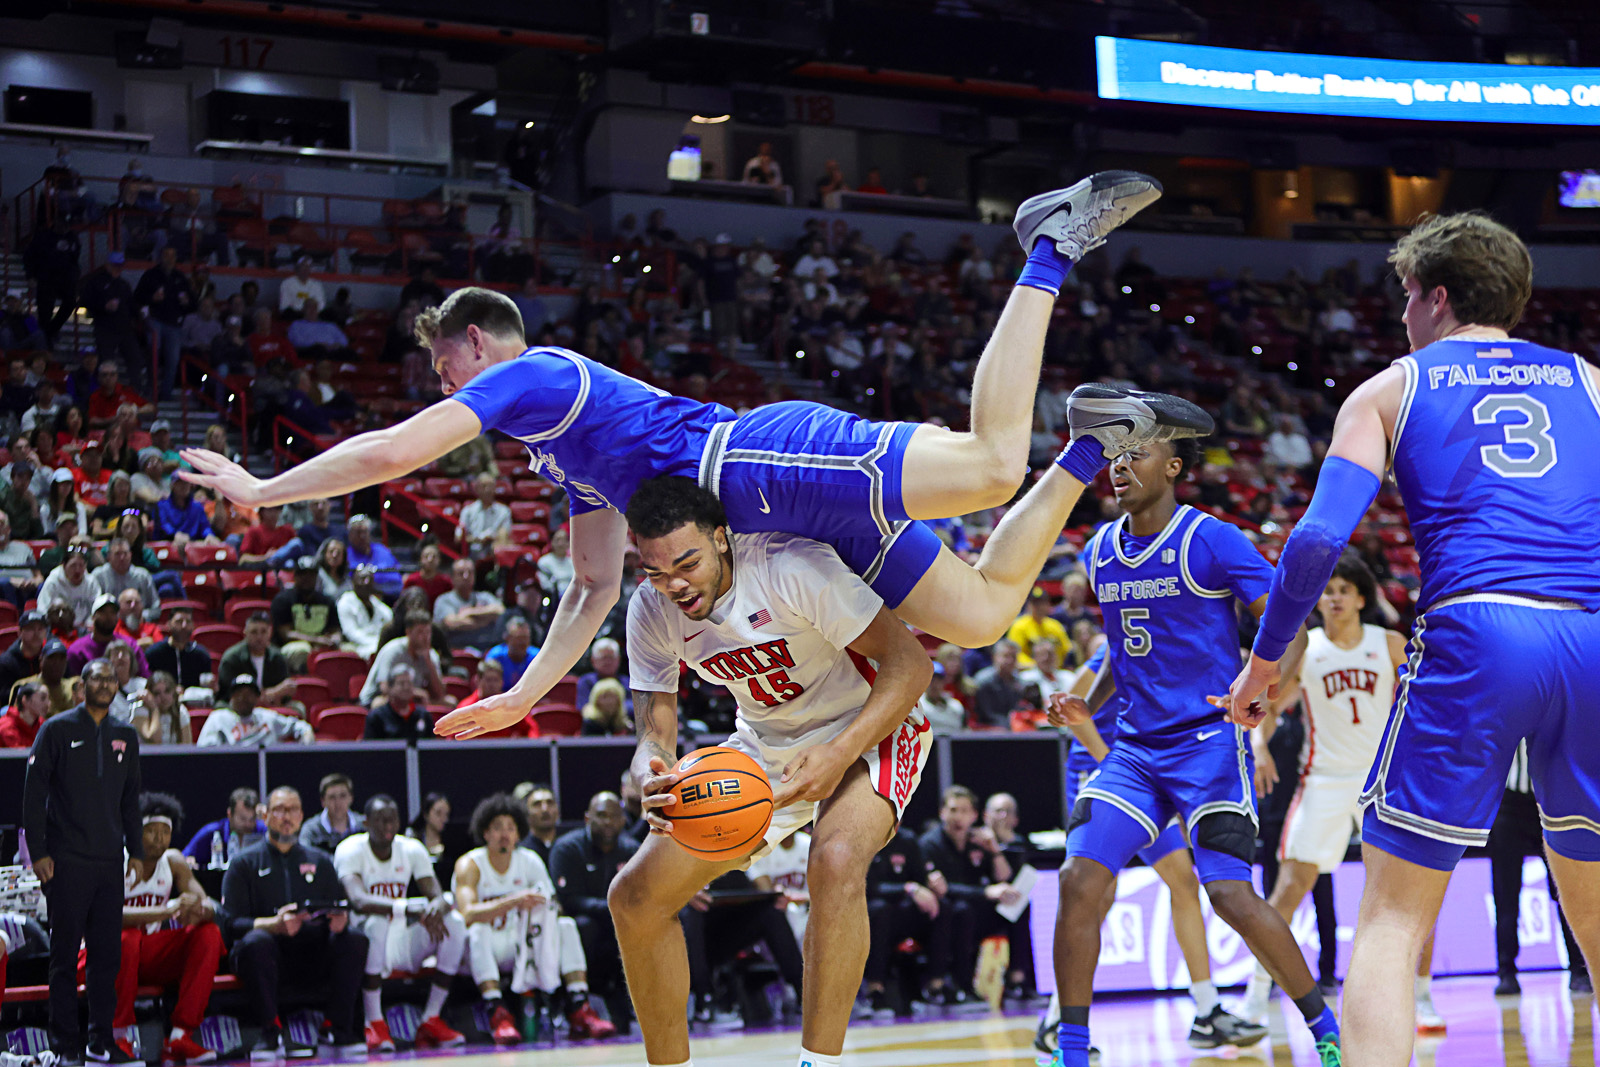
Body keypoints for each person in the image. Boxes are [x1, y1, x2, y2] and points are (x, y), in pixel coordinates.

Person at [178, 174, 1199, 743]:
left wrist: (267, 488)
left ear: (479, 345)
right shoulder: (567, 457)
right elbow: (587, 587)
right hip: (766, 517)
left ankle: (1047, 239)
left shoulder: (532, 375)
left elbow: (399, 451)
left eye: (448, 369)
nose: (449, 390)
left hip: (756, 460)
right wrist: (526, 697)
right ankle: (1081, 444)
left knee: (982, 467)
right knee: (979, 620)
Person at [1217, 212, 1600, 1065]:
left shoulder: (1393, 386)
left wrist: (1266, 656)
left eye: (1402, 298)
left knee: (1390, 919)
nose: (1399, 318)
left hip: (1481, 629)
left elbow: (1318, 540)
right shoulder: (1589, 379)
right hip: (1590, 632)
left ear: (1435, 296)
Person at [608, 475, 934, 1067]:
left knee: (834, 861)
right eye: (656, 573)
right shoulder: (652, 612)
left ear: (722, 539)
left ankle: (819, 1062)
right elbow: (654, 728)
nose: (674, 585)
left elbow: (910, 666)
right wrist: (648, 767)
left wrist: (839, 755)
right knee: (633, 897)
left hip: (871, 725)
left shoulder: (791, 568)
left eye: (687, 563)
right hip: (767, 747)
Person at [1048, 437, 1338, 1067]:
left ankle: (1324, 1026)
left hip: (1207, 743)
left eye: (1137, 454)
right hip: (1134, 749)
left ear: (1174, 467)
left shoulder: (1212, 539)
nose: (1120, 465)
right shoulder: (1098, 549)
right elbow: (1120, 651)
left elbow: (1290, 627)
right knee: (1077, 880)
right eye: (1115, 456)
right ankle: (1071, 1048)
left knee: (1229, 895)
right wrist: (1085, 704)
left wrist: (1264, 687)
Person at [1033, 641, 1266, 1057]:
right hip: (1103, 774)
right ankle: (1056, 1019)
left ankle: (1207, 1009)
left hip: (1144, 774)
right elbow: (1073, 712)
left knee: (1183, 882)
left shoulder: (1170, 650)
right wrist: (1117, 768)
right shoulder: (1109, 652)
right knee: (1097, 897)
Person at [1238, 556, 1417, 1024]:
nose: (1333, 597)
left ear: (1361, 598)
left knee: (1409, 890)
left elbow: (1427, 698)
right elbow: (1270, 707)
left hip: (1380, 781)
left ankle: (1422, 995)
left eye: (1343, 589)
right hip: (1325, 780)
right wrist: (1260, 745)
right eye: (1327, 590)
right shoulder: (1309, 648)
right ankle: (1256, 996)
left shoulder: (1391, 644)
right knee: (1289, 887)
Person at [22, 658, 144, 1065]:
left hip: (110, 862)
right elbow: (33, 795)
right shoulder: (56, 729)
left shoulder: (125, 734)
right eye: (98, 679)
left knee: (107, 957)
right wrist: (38, 852)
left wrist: (138, 851)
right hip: (66, 861)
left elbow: (131, 800)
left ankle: (101, 1040)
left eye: (112, 679)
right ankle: (65, 1044)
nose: (106, 685)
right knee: (64, 956)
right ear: (82, 686)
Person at [218, 786, 367, 1059]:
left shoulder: (321, 862)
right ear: (265, 815)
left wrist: (339, 922)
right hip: (266, 955)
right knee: (255, 942)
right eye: (279, 810)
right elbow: (229, 924)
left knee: (355, 938)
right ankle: (270, 1033)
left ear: (301, 816)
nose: (286, 817)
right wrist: (272, 924)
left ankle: (335, 1028)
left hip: (310, 952)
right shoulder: (242, 862)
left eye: (292, 810)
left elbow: (336, 908)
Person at [453, 793, 615, 1044]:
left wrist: (542, 907)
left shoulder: (529, 861)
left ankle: (579, 1007)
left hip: (524, 944)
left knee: (566, 925)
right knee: (478, 931)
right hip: (484, 949)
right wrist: (515, 900)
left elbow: (554, 906)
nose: (504, 834)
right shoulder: (470, 864)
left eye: (510, 827)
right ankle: (496, 1011)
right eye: (497, 828)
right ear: (485, 833)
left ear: (519, 833)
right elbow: (468, 914)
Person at [334, 795, 467, 1052]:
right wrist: (406, 907)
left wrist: (437, 907)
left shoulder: (411, 848)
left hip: (403, 941)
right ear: (366, 822)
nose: (387, 825)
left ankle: (431, 1017)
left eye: (392, 819)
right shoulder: (350, 849)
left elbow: (436, 895)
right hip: (364, 943)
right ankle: (373, 1021)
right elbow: (359, 900)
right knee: (377, 921)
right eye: (380, 819)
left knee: (455, 922)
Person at [113, 792, 224, 1065]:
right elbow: (108, 917)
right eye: (151, 831)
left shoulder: (173, 861)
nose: (160, 839)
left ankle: (179, 1036)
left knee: (208, 933)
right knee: (126, 937)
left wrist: (200, 909)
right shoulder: (114, 858)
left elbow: (205, 901)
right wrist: (167, 909)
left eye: (166, 832)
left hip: (145, 955)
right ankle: (117, 1037)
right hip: (102, 958)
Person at [1489, 740, 1589, 995]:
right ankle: (1506, 972)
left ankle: (1578, 970)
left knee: (1565, 891)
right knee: (1505, 891)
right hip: (1509, 802)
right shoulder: (1506, 700)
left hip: (1552, 800)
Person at [196, 675, 313, 746]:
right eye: (238, 694)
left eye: (248, 694)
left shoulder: (267, 717)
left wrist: (307, 737)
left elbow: (300, 726)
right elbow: (206, 748)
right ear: (231, 697)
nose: (243, 698)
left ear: (257, 698)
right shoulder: (219, 718)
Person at [271, 555, 342, 672]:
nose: (307, 578)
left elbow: (335, 629)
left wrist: (335, 640)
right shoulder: (283, 600)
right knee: (303, 650)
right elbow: (286, 634)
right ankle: (304, 684)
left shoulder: (327, 601)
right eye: (303, 574)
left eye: (311, 574)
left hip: (321, 643)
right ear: (295, 576)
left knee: (350, 650)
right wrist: (316, 640)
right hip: (290, 646)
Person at [361, 611, 446, 706]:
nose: (426, 637)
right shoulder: (392, 651)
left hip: (412, 700)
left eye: (428, 632)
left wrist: (428, 660)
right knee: (379, 703)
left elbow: (439, 694)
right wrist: (414, 692)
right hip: (378, 699)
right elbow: (384, 688)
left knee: (449, 702)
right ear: (408, 632)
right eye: (420, 632)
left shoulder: (431, 654)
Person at [217, 614, 297, 709]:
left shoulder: (277, 657)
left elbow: (285, 695)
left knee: (298, 707)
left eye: (263, 632)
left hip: (272, 706)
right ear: (245, 633)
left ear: (270, 633)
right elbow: (229, 695)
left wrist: (280, 693)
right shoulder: (232, 659)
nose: (259, 637)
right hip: (238, 707)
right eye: (254, 632)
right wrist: (274, 692)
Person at [67, 593, 150, 678]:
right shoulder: (78, 650)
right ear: (93, 617)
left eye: (113, 613)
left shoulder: (130, 645)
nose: (108, 617)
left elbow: (145, 677)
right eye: (103, 612)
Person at [180, 787, 263, 869]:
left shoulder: (263, 831)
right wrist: (188, 861)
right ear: (230, 814)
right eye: (242, 819)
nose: (248, 824)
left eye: (252, 819)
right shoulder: (211, 833)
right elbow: (183, 859)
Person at [433, 557, 503, 650]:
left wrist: (470, 612)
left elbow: (500, 611)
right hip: (458, 650)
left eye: (470, 573)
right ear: (452, 577)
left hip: (487, 650)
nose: (466, 576)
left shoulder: (484, 597)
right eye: (461, 573)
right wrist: (486, 619)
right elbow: (453, 623)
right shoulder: (444, 600)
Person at [90, 538, 160, 624]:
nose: (122, 558)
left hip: (139, 625)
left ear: (130, 555)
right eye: (117, 554)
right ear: (109, 556)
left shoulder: (143, 576)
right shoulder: (98, 576)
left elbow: (156, 607)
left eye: (125, 553)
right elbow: (92, 607)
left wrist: (140, 615)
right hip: (108, 625)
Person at [144, 608, 211, 693]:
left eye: (188, 622)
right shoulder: (153, 653)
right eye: (179, 621)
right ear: (168, 625)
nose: (184, 626)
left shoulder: (202, 655)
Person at [1007, 587, 1072, 669]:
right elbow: (1016, 653)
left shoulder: (1055, 625)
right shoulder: (1019, 625)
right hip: (1030, 671)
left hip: (1055, 671)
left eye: (1043, 603)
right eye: (1036, 604)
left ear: (1048, 605)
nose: (1039, 607)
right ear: (1029, 605)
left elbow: (1066, 650)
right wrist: (1035, 665)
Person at [298, 773, 364, 854]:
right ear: (323, 801)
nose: (338, 803)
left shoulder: (364, 825)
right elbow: (304, 858)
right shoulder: (311, 829)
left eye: (343, 796)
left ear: (351, 798)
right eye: (332, 797)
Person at [363, 664, 433, 741]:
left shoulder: (423, 715)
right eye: (401, 683)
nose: (406, 687)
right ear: (390, 688)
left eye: (409, 683)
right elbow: (369, 749)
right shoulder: (376, 717)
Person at [337, 564, 391, 659]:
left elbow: (389, 618)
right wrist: (376, 643)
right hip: (356, 646)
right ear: (353, 582)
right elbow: (351, 633)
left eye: (369, 579)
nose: (366, 582)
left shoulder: (377, 603)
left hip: (378, 646)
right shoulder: (345, 602)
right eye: (362, 579)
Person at [40, 543, 95, 629]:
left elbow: (97, 610)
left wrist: (88, 624)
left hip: (85, 629)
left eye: (81, 566)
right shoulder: (53, 581)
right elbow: (42, 610)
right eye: (73, 566)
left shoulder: (91, 582)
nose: (77, 570)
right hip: (58, 629)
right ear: (64, 565)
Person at [342, 515, 401, 597]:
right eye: (358, 532)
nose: (362, 536)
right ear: (350, 535)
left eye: (365, 531)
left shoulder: (382, 550)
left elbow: (397, 570)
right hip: (363, 596)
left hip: (392, 592)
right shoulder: (346, 555)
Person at [972, 639, 1025, 727]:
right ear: (995, 657)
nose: (1010, 661)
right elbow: (987, 715)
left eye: (1013, 657)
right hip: (988, 731)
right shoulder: (984, 681)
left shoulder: (1019, 682)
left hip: (1014, 729)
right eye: (1006, 656)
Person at [457, 472, 510, 559]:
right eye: (484, 486)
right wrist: (477, 539)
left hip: (494, 553)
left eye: (490, 486)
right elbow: (458, 537)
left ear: (495, 488)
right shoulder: (467, 511)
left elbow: (504, 536)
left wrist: (492, 538)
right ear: (476, 488)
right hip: (471, 553)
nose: (487, 490)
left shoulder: (504, 511)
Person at [0, 609, 50, 702]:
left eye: (40, 629)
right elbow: (3, 696)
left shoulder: (51, 656)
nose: (36, 634)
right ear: (19, 632)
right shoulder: (6, 662)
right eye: (30, 628)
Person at [130, 670, 189, 745]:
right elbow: (155, 741)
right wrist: (154, 709)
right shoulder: (140, 710)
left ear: (173, 693)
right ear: (149, 694)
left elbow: (187, 747)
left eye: (167, 691)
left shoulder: (181, 711)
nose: (163, 697)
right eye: (157, 693)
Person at [22, 638, 75, 716]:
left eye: (61, 658)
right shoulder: (25, 686)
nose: (57, 663)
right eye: (51, 658)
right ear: (41, 660)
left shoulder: (73, 686)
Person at [484, 617, 537, 690]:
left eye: (525, 638)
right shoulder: (496, 657)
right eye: (518, 638)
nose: (522, 643)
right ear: (507, 638)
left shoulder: (536, 657)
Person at [0, 680, 50, 748]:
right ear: (25, 700)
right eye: (42, 698)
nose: (48, 704)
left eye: (48, 699)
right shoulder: (6, 727)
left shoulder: (43, 725)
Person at [518, 784, 559, 866]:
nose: (545, 809)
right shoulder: (521, 850)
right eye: (537, 804)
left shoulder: (568, 845)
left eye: (550, 803)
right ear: (526, 813)